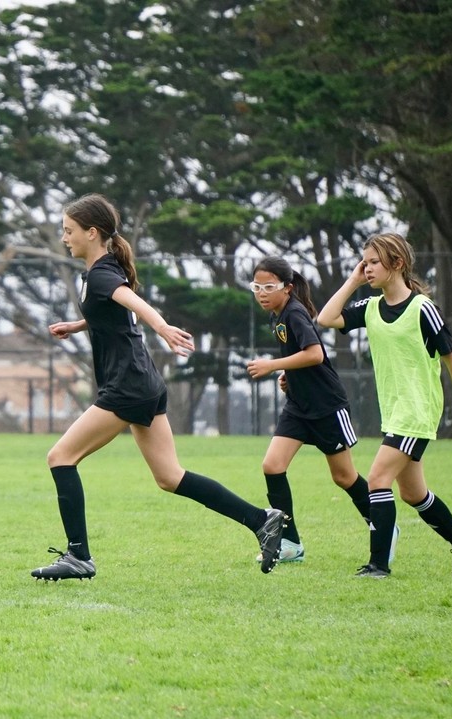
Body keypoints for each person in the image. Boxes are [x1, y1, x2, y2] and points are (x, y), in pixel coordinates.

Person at [30, 194, 287, 581]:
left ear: (92, 232)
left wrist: (163, 327)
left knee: (60, 457)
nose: (64, 237)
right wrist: (79, 325)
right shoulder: (101, 270)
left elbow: (133, 302)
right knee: (170, 477)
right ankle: (260, 519)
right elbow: (113, 309)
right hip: (143, 382)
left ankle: (78, 556)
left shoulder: (101, 273)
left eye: (69, 231)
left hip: (128, 387)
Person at [317, 232, 452, 578]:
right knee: (413, 493)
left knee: (377, 479)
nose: (367, 269)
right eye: (364, 263)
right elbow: (326, 318)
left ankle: (378, 566)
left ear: (398, 264)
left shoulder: (422, 309)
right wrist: (352, 280)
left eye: (374, 263)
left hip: (417, 412)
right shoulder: (370, 309)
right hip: (395, 413)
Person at [245, 257, 392, 565]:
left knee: (343, 476)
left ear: (286, 288)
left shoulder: (295, 312)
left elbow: (314, 354)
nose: (261, 292)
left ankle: (383, 527)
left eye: (268, 286)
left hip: (327, 408)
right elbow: (300, 357)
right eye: (257, 286)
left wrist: (273, 366)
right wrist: (289, 376)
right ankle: (289, 542)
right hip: (299, 407)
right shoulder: (278, 315)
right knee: (272, 465)